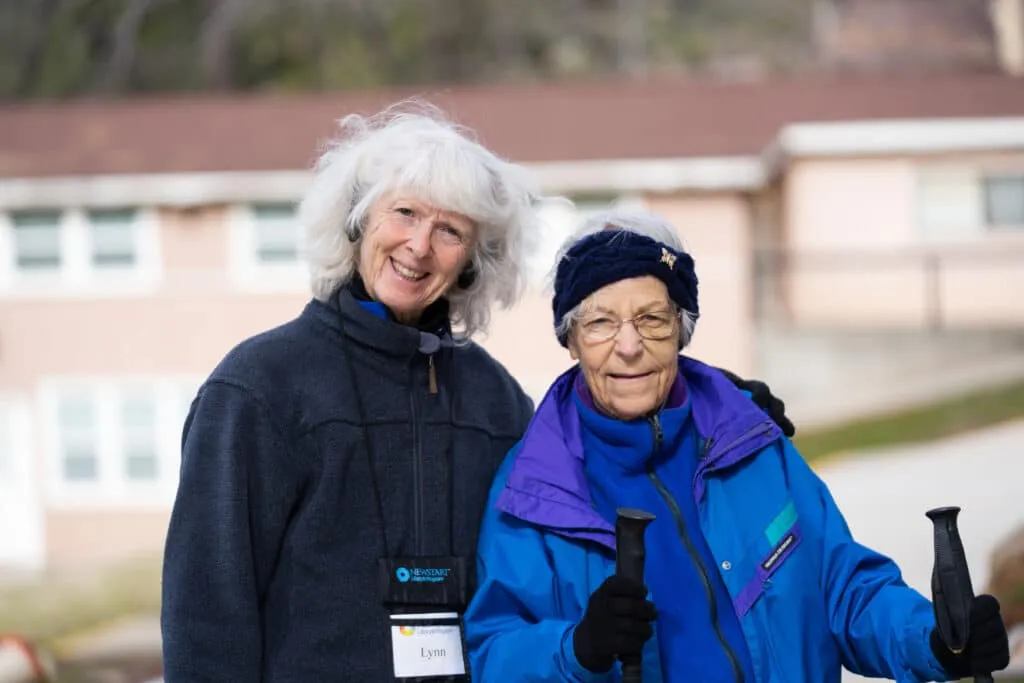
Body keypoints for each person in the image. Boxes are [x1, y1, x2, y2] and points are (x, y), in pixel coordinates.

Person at [160, 102, 795, 682]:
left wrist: (711, 405)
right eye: (404, 213)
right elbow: (206, 616)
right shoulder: (259, 389)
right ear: (359, 221)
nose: (419, 246)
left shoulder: (492, 400)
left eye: (450, 230)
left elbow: (598, 435)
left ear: (473, 259)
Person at [464, 208, 1011, 682]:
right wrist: (574, 650)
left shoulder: (750, 444)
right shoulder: (534, 487)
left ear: (682, 329)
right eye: (601, 322)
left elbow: (844, 590)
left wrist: (934, 641)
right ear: (570, 339)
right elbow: (493, 653)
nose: (628, 346)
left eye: (652, 319)